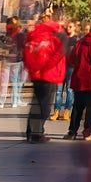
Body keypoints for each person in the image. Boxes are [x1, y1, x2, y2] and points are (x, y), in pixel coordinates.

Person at [22, 14, 67, 143]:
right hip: (49, 74)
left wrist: (33, 69)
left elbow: (26, 55)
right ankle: (37, 133)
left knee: (36, 105)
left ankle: (31, 133)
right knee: (45, 107)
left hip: (36, 74)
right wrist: (47, 67)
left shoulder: (33, 37)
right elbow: (59, 54)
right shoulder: (55, 38)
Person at [0, 17, 25, 109]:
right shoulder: (21, 35)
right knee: (15, 81)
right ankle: (14, 101)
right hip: (16, 60)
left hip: (7, 60)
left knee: (3, 81)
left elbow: (2, 46)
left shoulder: (7, 34)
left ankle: (1, 102)